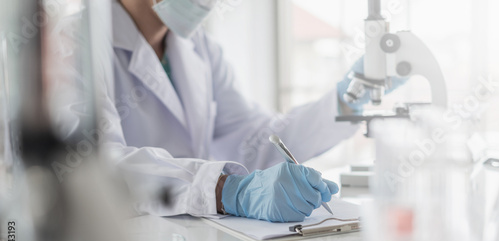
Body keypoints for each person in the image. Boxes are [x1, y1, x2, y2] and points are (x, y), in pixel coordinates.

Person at [58, 0, 402, 222]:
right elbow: (95, 167)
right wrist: (227, 190)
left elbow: (256, 139)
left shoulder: (199, 47)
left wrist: (345, 102)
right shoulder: (70, 43)